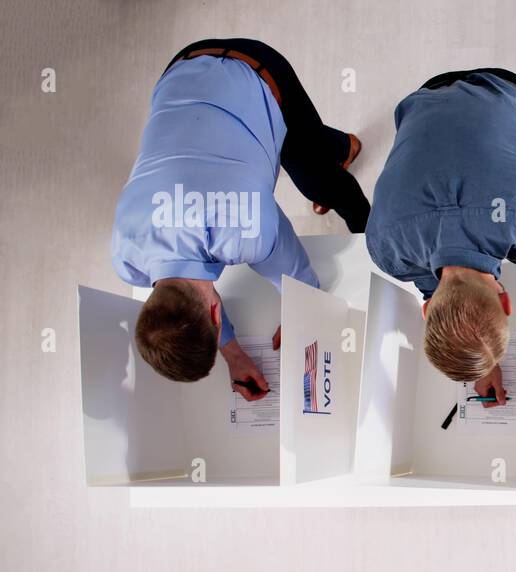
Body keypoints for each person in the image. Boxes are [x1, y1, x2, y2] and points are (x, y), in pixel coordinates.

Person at [111, 38, 370, 400]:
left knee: (318, 182)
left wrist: (304, 318)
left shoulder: (245, 231)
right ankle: (331, 145)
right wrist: (234, 356)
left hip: (255, 70)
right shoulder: (126, 257)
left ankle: (356, 193)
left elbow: (301, 281)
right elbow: (190, 291)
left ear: (218, 314)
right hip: (181, 70)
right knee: (304, 148)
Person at [366, 68, 516, 407]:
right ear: (427, 309)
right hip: (426, 102)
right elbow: (435, 289)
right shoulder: (386, 246)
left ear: (507, 303)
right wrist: (480, 359)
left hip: (508, 95)